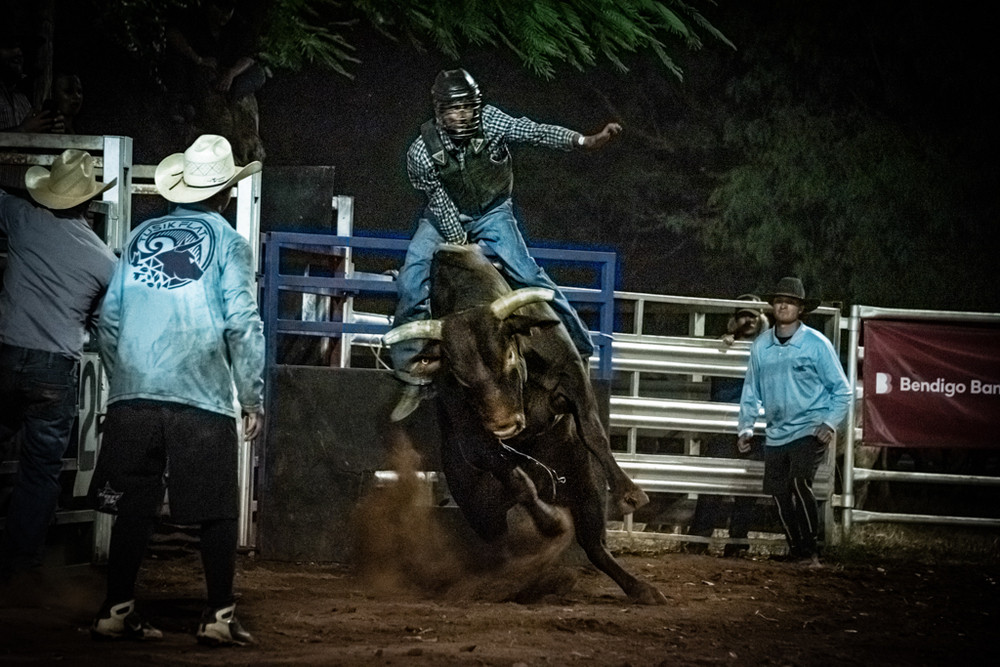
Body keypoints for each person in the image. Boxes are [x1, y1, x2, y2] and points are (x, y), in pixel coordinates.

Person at [88, 134, 264, 645]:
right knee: (215, 509)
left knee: (134, 505)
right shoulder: (228, 242)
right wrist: (250, 395)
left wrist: (126, 376)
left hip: (134, 394)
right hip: (200, 394)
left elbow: (109, 320)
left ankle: (116, 608)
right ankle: (218, 616)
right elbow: (242, 323)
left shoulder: (142, 233)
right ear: (227, 193)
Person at [391, 68, 622, 416]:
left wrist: (582, 140)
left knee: (527, 275)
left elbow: (533, 131)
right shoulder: (422, 152)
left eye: (466, 108)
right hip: (444, 215)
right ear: (439, 112)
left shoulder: (492, 122)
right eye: (453, 110)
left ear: (475, 106)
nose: (461, 116)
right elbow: (439, 201)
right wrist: (461, 246)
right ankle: (413, 371)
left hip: (493, 211)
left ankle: (577, 345)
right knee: (411, 281)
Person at [0, 150, 117, 580]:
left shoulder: (23, 220)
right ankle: (22, 561)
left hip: (7, 353)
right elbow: (106, 323)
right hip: (54, 368)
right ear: (89, 203)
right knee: (41, 467)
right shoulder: (104, 259)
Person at [736, 277, 851, 567]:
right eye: (779, 301)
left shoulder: (816, 344)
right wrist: (746, 426)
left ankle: (810, 550)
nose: (783, 305)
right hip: (777, 431)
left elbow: (842, 389)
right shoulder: (761, 346)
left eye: (790, 302)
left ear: (800, 309)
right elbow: (752, 390)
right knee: (778, 491)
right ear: (773, 307)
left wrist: (829, 423)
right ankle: (797, 549)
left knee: (799, 482)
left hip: (809, 427)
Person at [687, 294, 769, 557]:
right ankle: (699, 539)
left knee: (747, 488)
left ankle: (737, 542)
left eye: (754, 315)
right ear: (734, 319)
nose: (749, 321)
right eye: (744, 315)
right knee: (713, 484)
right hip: (723, 422)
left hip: (755, 423)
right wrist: (725, 342)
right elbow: (705, 361)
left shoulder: (769, 348)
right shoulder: (723, 346)